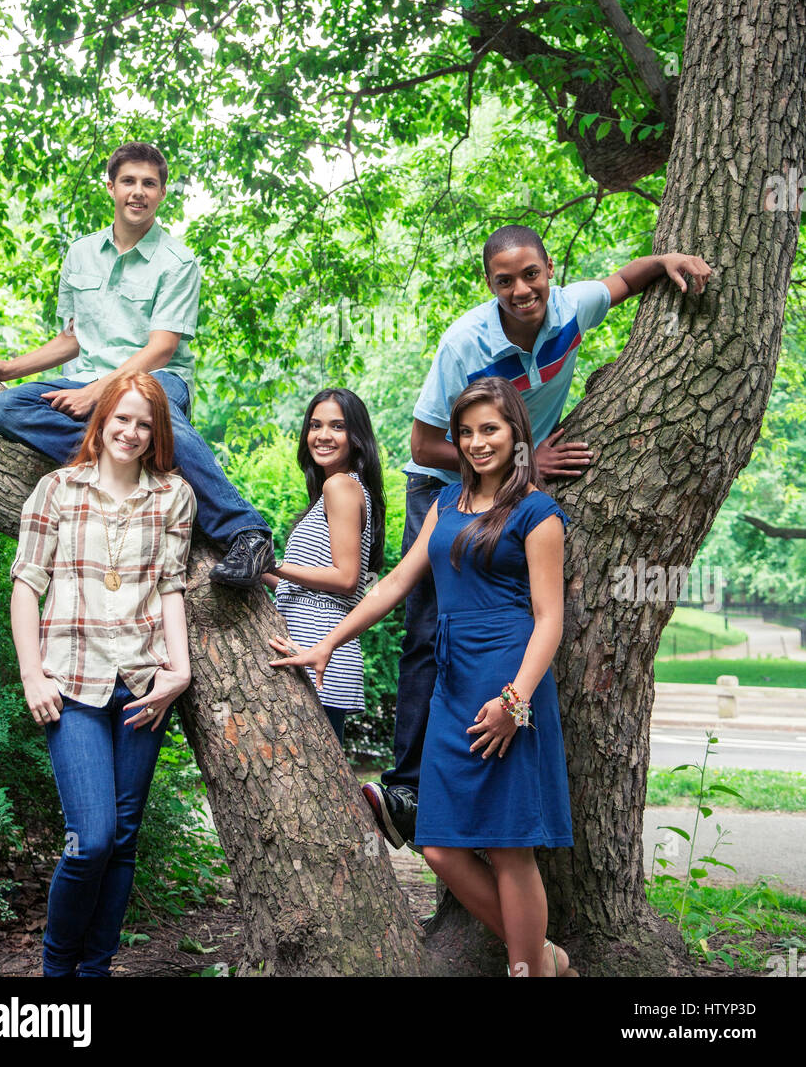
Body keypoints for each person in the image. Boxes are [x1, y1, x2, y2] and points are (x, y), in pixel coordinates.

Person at [364, 224, 713, 847]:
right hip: (443, 483)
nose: (522, 290)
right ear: (490, 286)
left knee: (506, 612)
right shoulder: (465, 343)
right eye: (506, 281)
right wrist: (524, 458)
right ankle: (409, 785)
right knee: (429, 625)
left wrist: (667, 259)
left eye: (532, 275)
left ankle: (498, 737)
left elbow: (627, 280)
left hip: (513, 480)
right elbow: (421, 444)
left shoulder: (573, 306)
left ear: (550, 270)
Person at [271, 377, 573, 978]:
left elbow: (549, 620)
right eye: (465, 432)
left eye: (490, 429)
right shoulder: (445, 505)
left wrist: (515, 701)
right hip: (452, 684)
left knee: (511, 847)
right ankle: (542, 958)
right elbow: (390, 585)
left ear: (516, 433)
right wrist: (329, 641)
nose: (477, 442)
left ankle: (524, 970)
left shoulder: (539, 513)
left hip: (511, 681)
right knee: (437, 844)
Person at [0, 142, 274, 587]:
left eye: (149, 183)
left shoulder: (178, 262)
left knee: (159, 412)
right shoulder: (79, 254)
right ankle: (137, 455)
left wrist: (99, 393)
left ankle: (245, 531)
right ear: (111, 187)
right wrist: (8, 369)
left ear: (162, 193)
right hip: (88, 382)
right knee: (9, 409)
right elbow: (70, 340)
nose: (138, 192)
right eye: (128, 181)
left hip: (156, 379)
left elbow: (161, 348)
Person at [9, 372, 195, 977]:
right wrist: (33, 676)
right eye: (123, 419)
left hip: (143, 684)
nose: (132, 432)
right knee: (91, 838)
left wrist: (181, 671)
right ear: (102, 420)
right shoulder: (57, 490)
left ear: (157, 432)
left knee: (122, 842)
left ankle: (96, 973)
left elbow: (172, 589)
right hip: (71, 680)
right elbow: (26, 586)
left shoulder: (173, 496)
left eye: (145, 423)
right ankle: (58, 973)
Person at [263, 389, 386, 747]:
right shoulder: (334, 491)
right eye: (315, 425)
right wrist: (261, 571)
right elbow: (304, 585)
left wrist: (277, 564)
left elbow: (346, 580)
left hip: (321, 659)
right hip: (311, 652)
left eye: (337, 426)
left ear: (357, 437)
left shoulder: (341, 486)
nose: (322, 435)